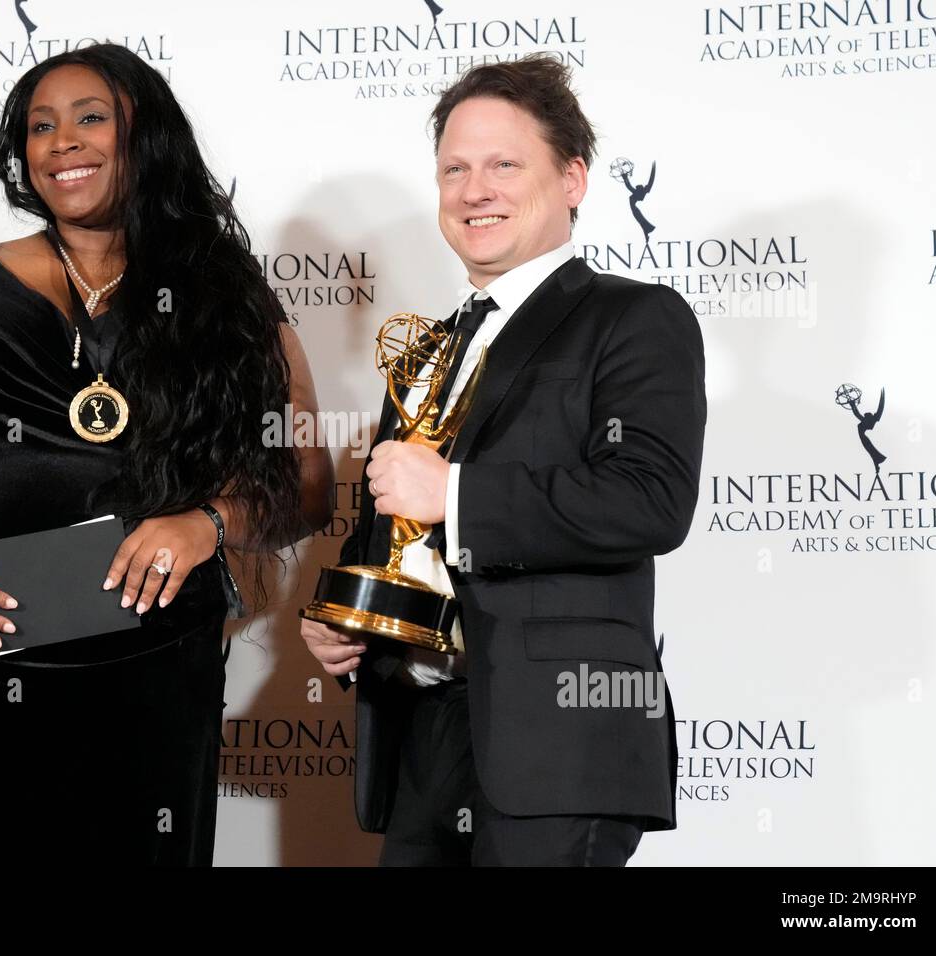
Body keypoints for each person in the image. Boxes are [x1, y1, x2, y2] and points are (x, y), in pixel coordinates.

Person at [0, 44, 334, 866]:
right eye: (40, 126)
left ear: (145, 135)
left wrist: (207, 522)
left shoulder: (223, 293)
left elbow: (305, 480)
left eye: (90, 117)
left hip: (149, 665)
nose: (62, 141)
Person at [299, 54, 707, 866]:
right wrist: (351, 624)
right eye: (454, 169)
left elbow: (650, 500)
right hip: (426, 741)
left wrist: (456, 490)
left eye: (502, 165)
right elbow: (401, 528)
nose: (473, 190)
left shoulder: (635, 318)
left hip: (560, 744)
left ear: (574, 179)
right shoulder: (428, 350)